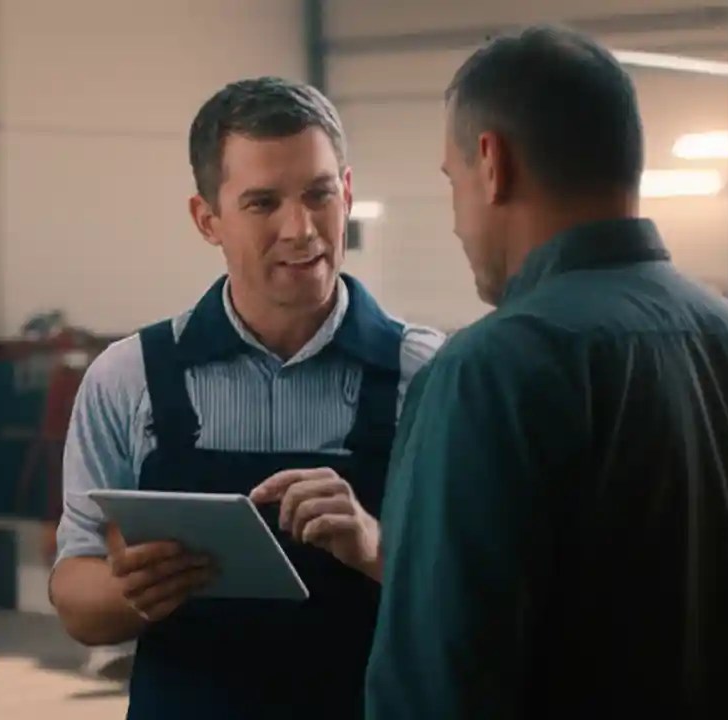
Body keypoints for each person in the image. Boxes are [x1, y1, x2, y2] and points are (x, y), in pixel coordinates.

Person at [367, 24, 728, 719]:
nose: (458, 221)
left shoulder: (489, 373)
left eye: (453, 182)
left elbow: (435, 691)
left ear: (493, 164)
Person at [48, 76, 444, 719]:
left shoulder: (427, 375)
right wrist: (135, 591)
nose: (301, 229)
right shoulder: (128, 380)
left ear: (346, 193)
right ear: (208, 220)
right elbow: (74, 595)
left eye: (319, 195)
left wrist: (374, 547)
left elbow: (477, 594)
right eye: (262, 203)